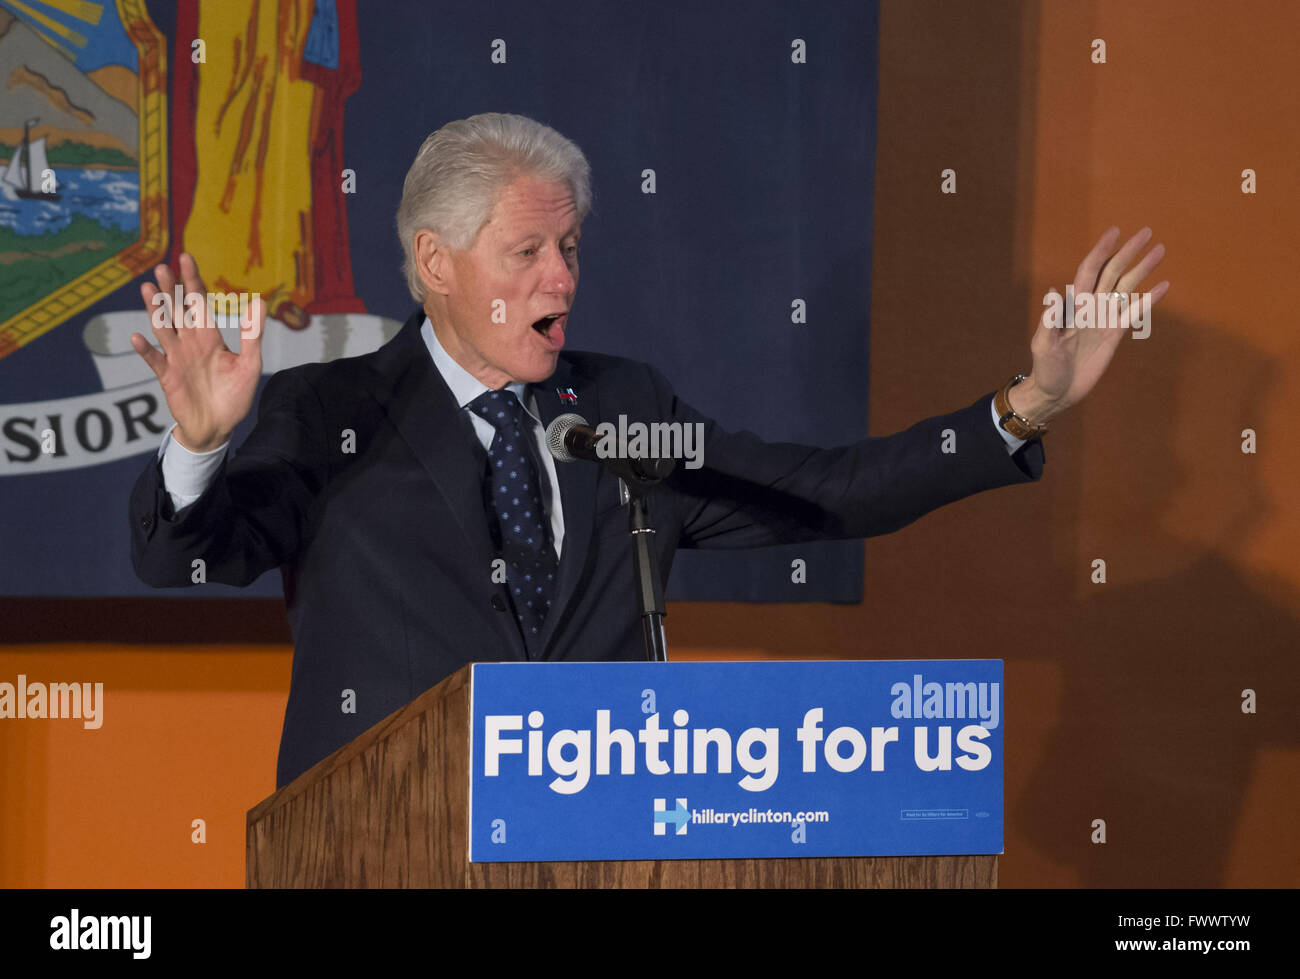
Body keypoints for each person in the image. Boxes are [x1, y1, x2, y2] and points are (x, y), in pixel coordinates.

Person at [127, 113, 1168, 788]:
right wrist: (199, 444)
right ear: (436, 264)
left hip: (603, 846)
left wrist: (1028, 402)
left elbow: (826, 492)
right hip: (382, 843)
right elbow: (191, 558)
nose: (561, 280)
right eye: (526, 251)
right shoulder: (331, 408)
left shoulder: (621, 408)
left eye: (570, 249)